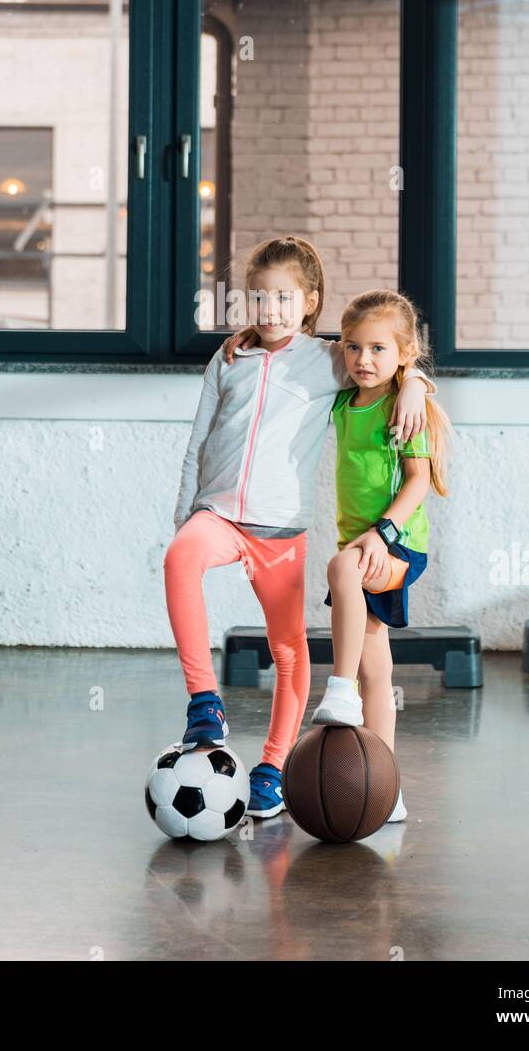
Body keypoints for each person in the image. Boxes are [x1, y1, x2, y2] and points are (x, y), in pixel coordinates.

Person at [163, 235, 436, 819]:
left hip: (281, 529)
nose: (270, 311)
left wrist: (416, 382)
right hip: (219, 514)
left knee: (289, 649)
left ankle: (272, 769)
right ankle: (204, 702)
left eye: (284, 299)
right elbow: (197, 441)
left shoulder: (328, 360)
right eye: (258, 299)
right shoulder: (228, 357)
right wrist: (188, 514)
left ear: (309, 302)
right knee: (179, 557)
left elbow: (387, 361)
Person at [310, 288, 451, 822]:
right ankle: (386, 785)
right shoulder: (346, 402)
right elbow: (304, 352)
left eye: (378, 349)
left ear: (404, 354)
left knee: (343, 568)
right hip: (359, 540)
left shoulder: (407, 406)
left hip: (397, 543)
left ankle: (338, 689)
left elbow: (418, 483)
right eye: (353, 348)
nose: (363, 360)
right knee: (377, 661)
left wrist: (383, 534)